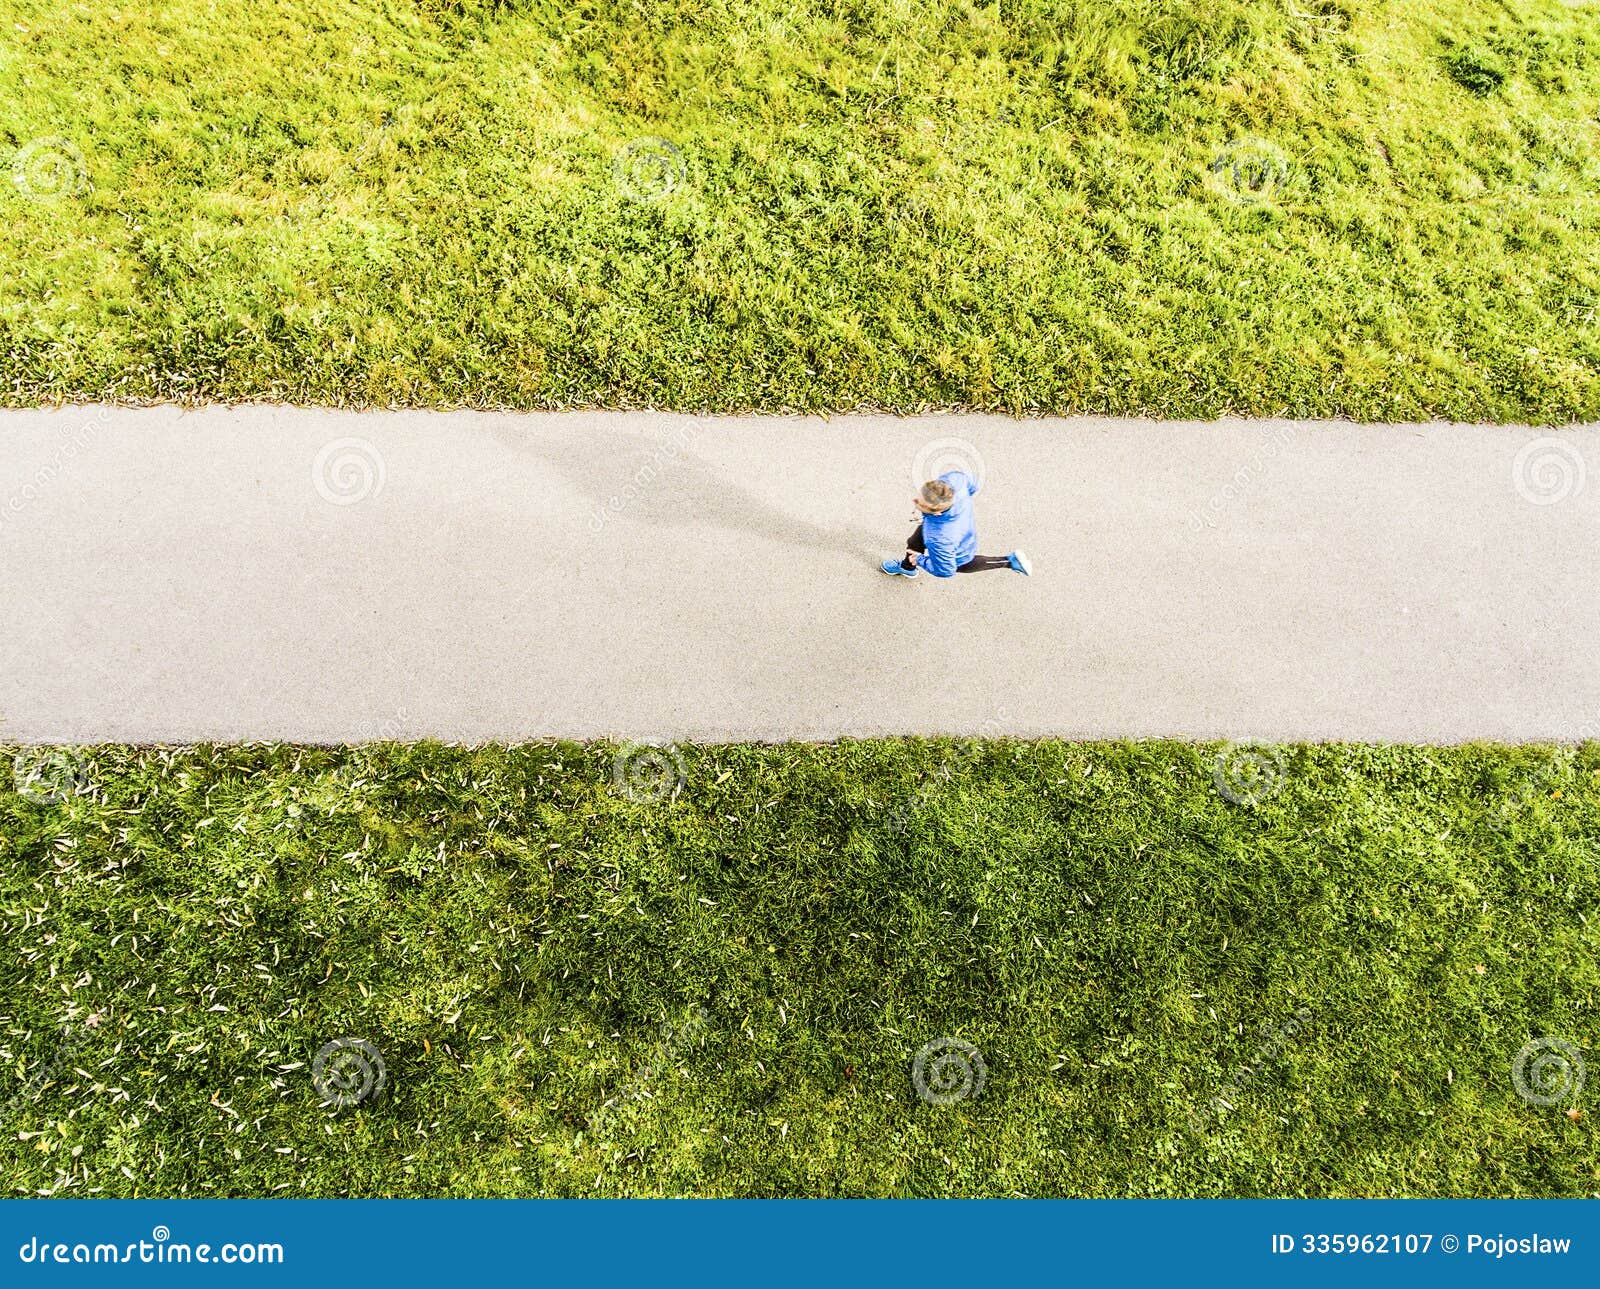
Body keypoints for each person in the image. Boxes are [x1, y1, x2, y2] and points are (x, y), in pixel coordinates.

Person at [880, 472, 1031, 579]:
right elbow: (973, 485)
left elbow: (945, 570)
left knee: (962, 563)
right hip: (953, 523)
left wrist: (921, 560)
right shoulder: (953, 481)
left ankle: (1009, 561)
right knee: (914, 542)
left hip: (958, 544)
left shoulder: (938, 538)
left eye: (920, 503)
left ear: (936, 512)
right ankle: (907, 568)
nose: (914, 501)